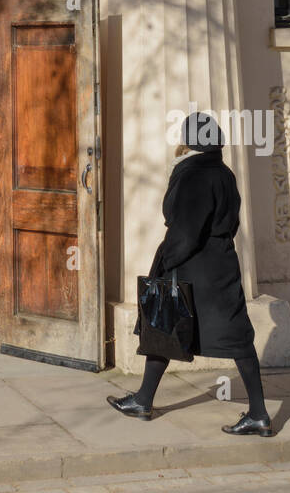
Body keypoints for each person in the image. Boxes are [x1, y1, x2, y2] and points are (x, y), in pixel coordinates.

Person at [107, 111, 272, 436]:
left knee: (166, 324)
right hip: (220, 266)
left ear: (191, 140)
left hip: (192, 268)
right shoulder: (223, 173)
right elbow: (230, 222)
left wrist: (167, 260)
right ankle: (256, 414)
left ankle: (258, 414)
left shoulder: (193, 174)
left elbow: (185, 231)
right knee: (229, 336)